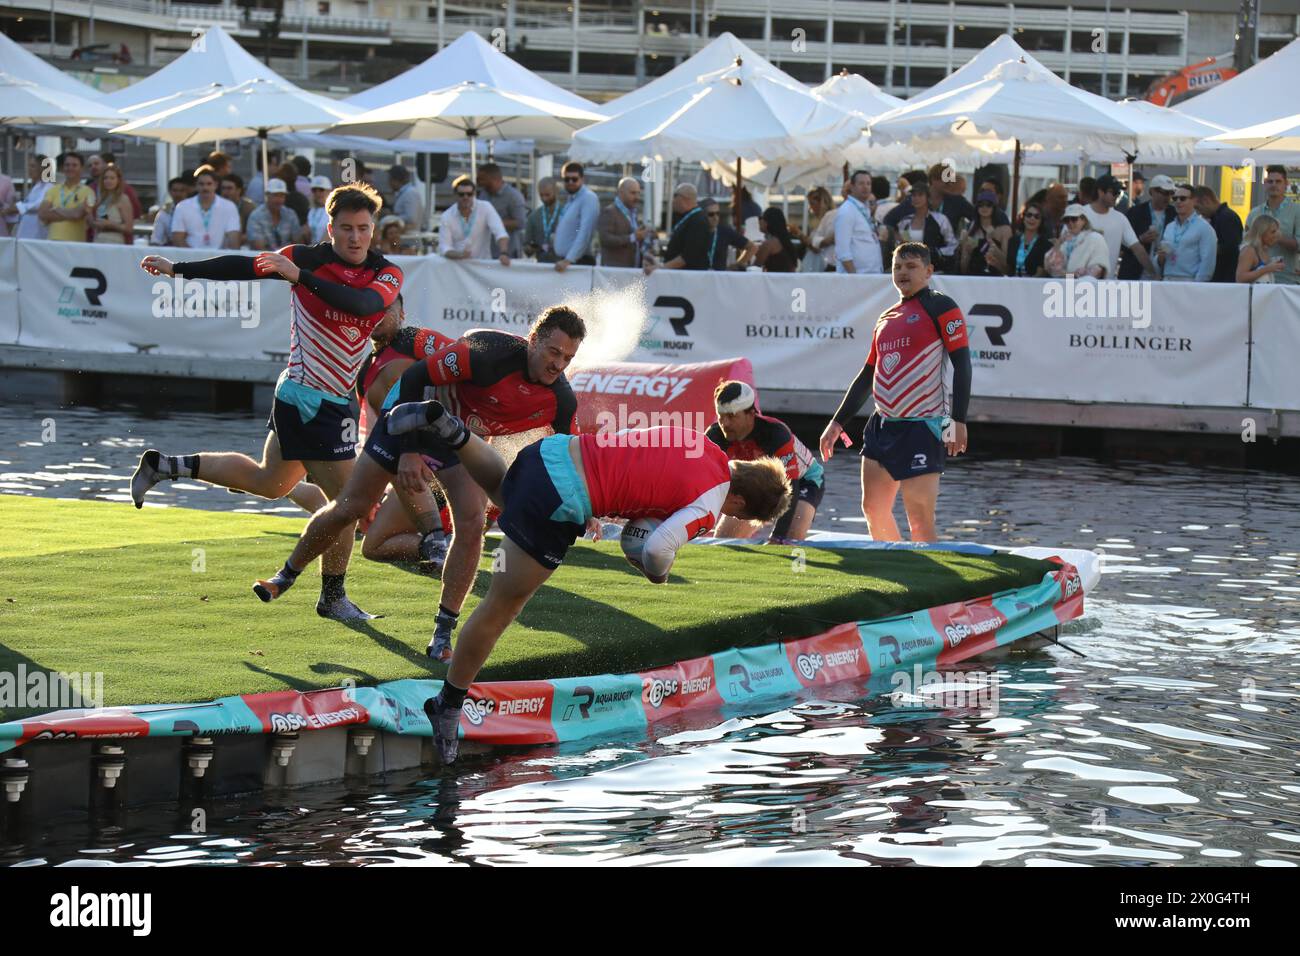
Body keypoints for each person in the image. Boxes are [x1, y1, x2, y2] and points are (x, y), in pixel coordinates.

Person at [392, 409, 792, 763]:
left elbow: (640, 468)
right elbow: (654, 550)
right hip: (561, 499)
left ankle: (455, 432)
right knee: (502, 607)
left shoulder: (698, 441)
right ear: (738, 503)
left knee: (507, 491)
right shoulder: (711, 502)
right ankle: (448, 703)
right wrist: (657, 573)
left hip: (549, 455)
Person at [132, 181, 404, 621]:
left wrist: (298, 277)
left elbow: (360, 305)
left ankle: (165, 465)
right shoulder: (304, 257)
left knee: (270, 483)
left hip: (331, 402)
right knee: (351, 504)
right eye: (347, 228)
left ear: (374, 229)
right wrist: (179, 268)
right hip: (305, 398)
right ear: (330, 228)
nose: (356, 238)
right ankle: (331, 597)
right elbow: (244, 266)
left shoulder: (386, 272)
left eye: (364, 228)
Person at [257, 308, 584, 662]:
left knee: (472, 524)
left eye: (568, 358)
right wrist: (410, 453)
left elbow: (567, 455)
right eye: (553, 352)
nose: (558, 364)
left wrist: (586, 507)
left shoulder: (561, 399)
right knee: (352, 505)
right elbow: (413, 379)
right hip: (408, 419)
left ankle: (443, 632)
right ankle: (286, 575)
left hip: (459, 441)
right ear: (533, 340)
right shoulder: (487, 352)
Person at [818, 242, 971, 544]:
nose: (903, 272)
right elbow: (866, 375)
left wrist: (959, 420)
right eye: (897, 267)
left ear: (928, 272)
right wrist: (837, 423)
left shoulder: (942, 306)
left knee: (918, 514)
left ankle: (929, 580)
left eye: (912, 266)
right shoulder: (886, 317)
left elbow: (963, 364)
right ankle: (894, 567)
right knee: (873, 508)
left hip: (923, 425)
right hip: (883, 424)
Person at [707, 380, 825, 542]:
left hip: (802, 482)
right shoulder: (714, 436)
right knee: (723, 539)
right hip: (755, 486)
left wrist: (778, 536)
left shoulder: (775, 434)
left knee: (790, 539)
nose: (725, 424)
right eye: (721, 416)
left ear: (750, 414)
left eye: (732, 416)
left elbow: (792, 486)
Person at [1082, 173, 1159, 279]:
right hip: (1078, 285)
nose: (1117, 195)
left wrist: (1154, 274)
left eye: (1118, 192)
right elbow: (1066, 249)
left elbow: (1137, 248)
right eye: (1113, 192)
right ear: (1100, 192)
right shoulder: (1080, 214)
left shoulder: (1120, 219)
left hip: (1106, 285)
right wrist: (1068, 281)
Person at [1244, 166, 1299, 285]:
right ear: (1264, 184)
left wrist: (1276, 237)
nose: (1274, 185)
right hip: (1258, 279)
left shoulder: (1297, 211)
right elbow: (1245, 243)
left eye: (1278, 181)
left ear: (1286, 184)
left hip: (1286, 279)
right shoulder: (1254, 213)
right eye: (1270, 181)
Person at [438, 174, 510, 264]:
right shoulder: (447, 216)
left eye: (469, 194)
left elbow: (500, 232)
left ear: (474, 194)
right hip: (458, 266)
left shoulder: (485, 207)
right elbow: (444, 247)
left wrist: (504, 253)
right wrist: (459, 255)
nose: (466, 197)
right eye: (461, 194)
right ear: (455, 195)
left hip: (482, 265)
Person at [169, 164, 241, 250]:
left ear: (216, 185)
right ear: (196, 185)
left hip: (220, 259)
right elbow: (178, 239)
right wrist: (193, 258)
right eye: (201, 184)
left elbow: (234, 238)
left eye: (209, 184)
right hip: (190, 259)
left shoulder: (229, 206)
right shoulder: (182, 206)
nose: (205, 187)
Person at [890, 180, 956, 273]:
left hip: (935, 271)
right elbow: (900, 244)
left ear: (928, 198)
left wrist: (937, 252)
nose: (916, 198)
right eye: (913, 195)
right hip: (910, 271)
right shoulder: (905, 222)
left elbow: (953, 245)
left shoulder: (940, 219)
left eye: (920, 195)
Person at [1119, 173, 1176, 280]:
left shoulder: (1174, 214)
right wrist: (1140, 239)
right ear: (1152, 192)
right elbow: (1122, 245)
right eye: (1164, 192)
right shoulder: (1135, 212)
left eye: (1170, 193)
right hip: (1136, 272)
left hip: (1165, 272)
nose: (1167, 197)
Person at [645, 184, 710, 272]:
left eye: (675, 196)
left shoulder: (698, 221)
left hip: (688, 277)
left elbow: (689, 255)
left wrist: (662, 267)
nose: (673, 201)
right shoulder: (688, 217)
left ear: (685, 198)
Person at [1158, 185, 1217, 282]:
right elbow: (1160, 260)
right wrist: (1160, 258)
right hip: (1167, 279)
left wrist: (1196, 286)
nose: (1178, 202)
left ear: (1194, 201)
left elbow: (1207, 262)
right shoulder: (1170, 227)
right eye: (1175, 198)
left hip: (1189, 281)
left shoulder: (1204, 228)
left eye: (1182, 198)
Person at [551, 161, 599, 270]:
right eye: (567, 179)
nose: (570, 182)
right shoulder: (572, 200)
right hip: (567, 262)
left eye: (574, 179)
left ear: (582, 179)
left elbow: (584, 231)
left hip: (577, 263)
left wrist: (569, 260)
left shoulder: (588, 198)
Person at [38, 152, 94, 242]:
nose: (70, 168)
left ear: (82, 168)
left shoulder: (88, 192)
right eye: (67, 165)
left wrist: (56, 209)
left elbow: (78, 214)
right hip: (52, 241)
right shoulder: (53, 190)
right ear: (63, 167)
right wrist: (71, 213)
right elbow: (42, 213)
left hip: (75, 244)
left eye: (74, 165)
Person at [835, 169, 884, 274]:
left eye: (868, 183)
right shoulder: (847, 211)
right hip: (858, 278)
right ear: (852, 187)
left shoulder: (864, 208)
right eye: (861, 183)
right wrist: (855, 278)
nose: (865, 187)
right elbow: (842, 250)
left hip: (870, 275)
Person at [1193, 185, 1243, 283]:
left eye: (1198, 208)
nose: (1198, 212)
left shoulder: (1227, 217)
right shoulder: (1216, 218)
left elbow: (1232, 247)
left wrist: (1207, 248)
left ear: (1206, 201)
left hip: (1226, 276)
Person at [477, 162, 528, 259]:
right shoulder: (483, 194)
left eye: (482, 179)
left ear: (493, 178)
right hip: (486, 251)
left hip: (507, 252)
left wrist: (494, 222)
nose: (479, 183)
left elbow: (521, 223)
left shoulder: (513, 197)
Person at [1046, 203, 1110, 279]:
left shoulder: (1096, 238)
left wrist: (1068, 275)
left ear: (1083, 220)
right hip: (1062, 287)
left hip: (1087, 288)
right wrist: (1058, 245)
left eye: (1074, 219)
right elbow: (1052, 270)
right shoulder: (1065, 242)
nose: (1070, 223)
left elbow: (1096, 271)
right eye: (1066, 220)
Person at [597, 176, 650, 268]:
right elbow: (605, 239)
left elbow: (634, 240)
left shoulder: (632, 213)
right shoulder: (609, 212)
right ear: (621, 192)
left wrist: (642, 236)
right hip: (614, 271)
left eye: (638, 193)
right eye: (633, 193)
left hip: (631, 269)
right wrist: (633, 237)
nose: (637, 197)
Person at [958, 190, 1011, 275]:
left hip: (995, 277)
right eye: (981, 205)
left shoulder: (1004, 230)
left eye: (988, 205)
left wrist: (992, 243)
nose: (984, 208)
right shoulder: (970, 230)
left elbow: (1007, 265)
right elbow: (963, 268)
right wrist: (966, 252)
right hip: (973, 277)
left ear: (994, 207)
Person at [246, 178, 303, 251]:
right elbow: (259, 247)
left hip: (288, 259)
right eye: (275, 195)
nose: (279, 200)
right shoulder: (256, 216)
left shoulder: (290, 214)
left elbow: (298, 243)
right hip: (263, 260)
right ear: (267, 195)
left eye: (282, 196)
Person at [1000, 201, 1052, 277]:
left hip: (1033, 286)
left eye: (1036, 217)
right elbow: (1009, 269)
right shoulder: (1013, 241)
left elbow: (1040, 273)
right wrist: (995, 262)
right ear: (1023, 218)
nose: (1032, 218)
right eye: (1029, 215)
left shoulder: (1045, 245)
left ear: (1041, 221)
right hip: (1013, 284)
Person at [702, 198, 754, 270]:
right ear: (702, 215)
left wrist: (737, 264)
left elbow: (752, 247)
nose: (715, 217)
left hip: (720, 278)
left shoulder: (725, 231)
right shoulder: (695, 232)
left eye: (718, 213)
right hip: (699, 278)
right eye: (711, 214)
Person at [90, 163, 134, 245]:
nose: (108, 181)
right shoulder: (101, 199)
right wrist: (88, 213)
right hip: (98, 240)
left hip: (114, 241)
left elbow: (129, 228)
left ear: (118, 180)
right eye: (105, 178)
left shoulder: (123, 199)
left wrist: (111, 225)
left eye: (112, 178)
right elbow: (102, 220)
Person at [796, 186, 837, 273]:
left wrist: (800, 235)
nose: (811, 208)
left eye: (812, 203)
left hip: (822, 264)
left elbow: (817, 247)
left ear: (822, 203)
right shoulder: (822, 220)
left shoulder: (831, 218)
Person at [1236, 215, 1285, 284]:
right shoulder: (1249, 250)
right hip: (1251, 294)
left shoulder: (1264, 249)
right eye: (1273, 232)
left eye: (1276, 231)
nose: (1276, 235)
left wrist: (1273, 266)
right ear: (1262, 232)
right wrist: (1267, 269)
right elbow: (1240, 278)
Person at [523, 176, 562, 262]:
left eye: (548, 195)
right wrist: (531, 248)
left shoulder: (567, 213)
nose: (544, 198)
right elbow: (526, 246)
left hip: (564, 265)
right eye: (541, 195)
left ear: (556, 191)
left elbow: (578, 230)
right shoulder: (533, 216)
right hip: (542, 266)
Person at [13, 154, 52, 239]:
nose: (29, 169)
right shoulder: (36, 186)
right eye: (29, 166)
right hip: (26, 231)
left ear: (42, 169)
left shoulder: (49, 186)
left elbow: (39, 205)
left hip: (37, 232)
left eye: (33, 166)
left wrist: (19, 207)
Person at [149, 177, 193, 246]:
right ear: (169, 191)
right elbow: (156, 239)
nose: (178, 194)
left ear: (187, 192)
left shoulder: (195, 211)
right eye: (175, 190)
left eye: (182, 191)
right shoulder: (164, 213)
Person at [754, 207, 798, 272]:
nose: (759, 221)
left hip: (774, 281)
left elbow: (755, 267)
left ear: (767, 222)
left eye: (761, 218)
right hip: (787, 280)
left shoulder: (769, 244)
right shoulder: (783, 240)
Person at [388, 165, 423, 235]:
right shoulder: (406, 193)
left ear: (396, 180)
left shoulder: (410, 193)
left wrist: (392, 218)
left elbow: (411, 218)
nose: (389, 183)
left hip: (409, 237)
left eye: (390, 179)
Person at [219, 173, 256, 239]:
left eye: (229, 188)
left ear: (238, 190)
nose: (225, 192)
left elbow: (253, 233)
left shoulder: (248, 208)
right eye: (223, 188)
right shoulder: (216, 206)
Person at [306, 175, 332, 244]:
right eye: (314, 190)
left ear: (329, 191)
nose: (318, 193)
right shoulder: (311, 211)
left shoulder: (333, 211)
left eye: (321, 190)